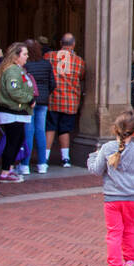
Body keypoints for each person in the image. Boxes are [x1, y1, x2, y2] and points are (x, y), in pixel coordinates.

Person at [88, 109, 134, 266]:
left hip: (112, 197)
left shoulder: (107, 148)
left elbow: (96, 170)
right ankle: (129, 261)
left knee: (114, 233)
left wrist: (92, 156)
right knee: (129, 228)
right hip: (132, 197)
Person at [0, 42, 35, 183]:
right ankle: (5, 171)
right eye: (24, 54)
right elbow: (14, 90)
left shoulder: (17, 69)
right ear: (16, 56)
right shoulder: (12, 71)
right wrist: (29, 99)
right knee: (13, 141)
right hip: (12, 111)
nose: (27, 57)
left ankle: (9, 168)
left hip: (17, 111)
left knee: (17, 140)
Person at [45, 33, 85, 167]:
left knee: (49, 128)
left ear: (60, 43)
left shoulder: (49, 56)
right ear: (73, 44)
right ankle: (65, 158)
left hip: (52, 99)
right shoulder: (78, 60)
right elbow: (82, 76)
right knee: (65, 129)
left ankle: (44, 158)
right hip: (70, 101)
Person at [24, 38, 54, 174]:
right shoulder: (46, 64)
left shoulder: (26, 65)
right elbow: (53, 83)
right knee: (41, 131)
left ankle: (25, 165)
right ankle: (42, 163)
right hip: (43, 101)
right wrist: (45, 93)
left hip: (29, 101)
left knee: (28, 132)